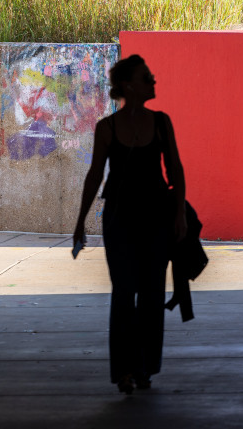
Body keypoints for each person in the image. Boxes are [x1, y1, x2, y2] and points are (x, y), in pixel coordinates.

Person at [73, 54, 187, 394]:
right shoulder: (106, 128)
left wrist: (179, 213)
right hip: (120, 220)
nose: (153, 81)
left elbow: (176, 170)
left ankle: (144, 369)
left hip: (155, 218)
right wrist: (80, 221)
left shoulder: (162, 122)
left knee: (152, 293)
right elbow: (95, 175)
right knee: (124, 292)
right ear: (128, 86)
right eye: (146, 77)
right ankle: (124, 370)